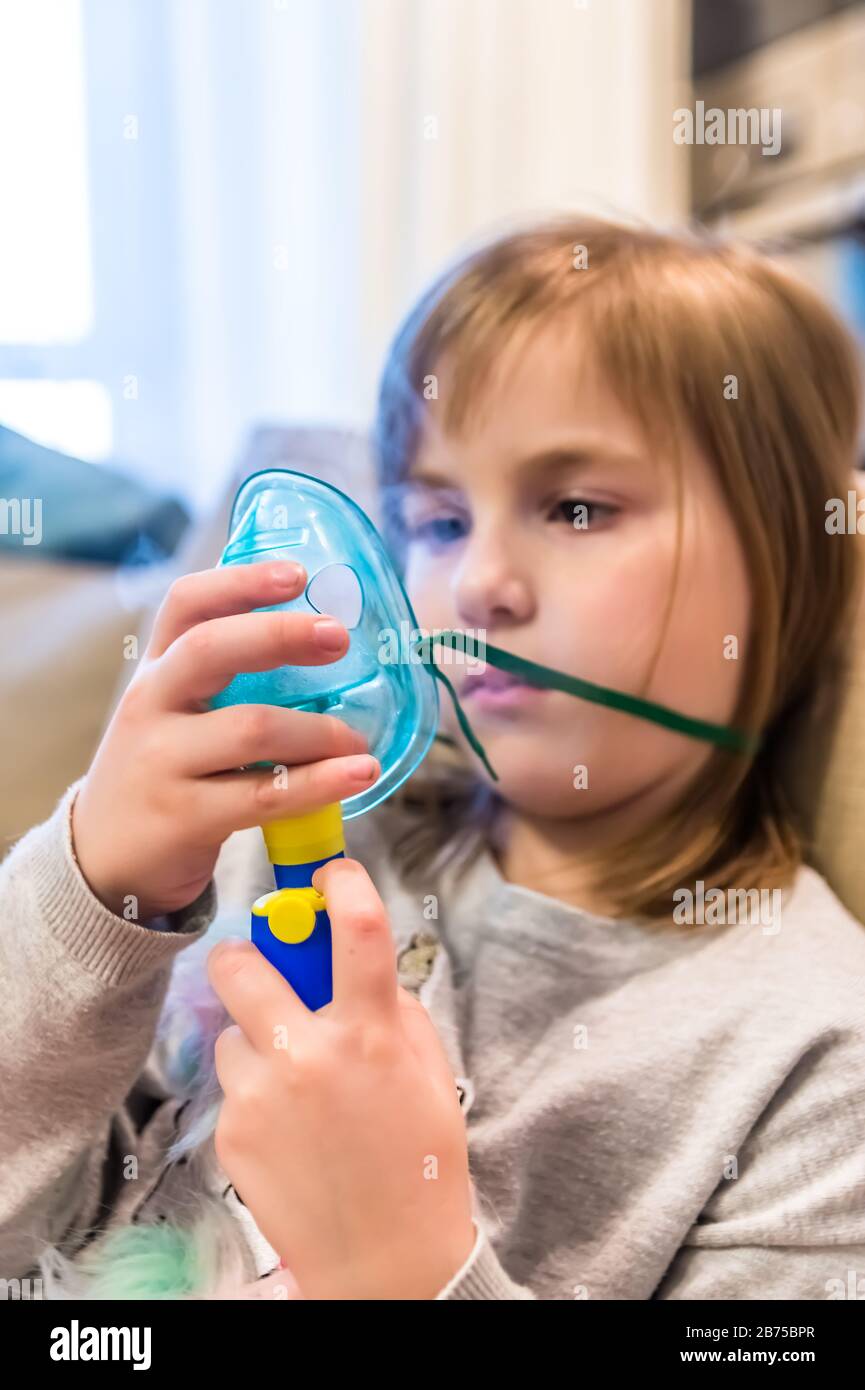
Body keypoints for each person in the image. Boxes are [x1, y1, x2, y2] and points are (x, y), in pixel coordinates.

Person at [2, 217, 864, 1300]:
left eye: (577, 506)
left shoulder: (813, 1064)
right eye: (440, 519)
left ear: (788, 560)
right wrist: (90, 888)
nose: (477, 584)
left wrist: (401, 1271)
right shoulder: (284, 845)